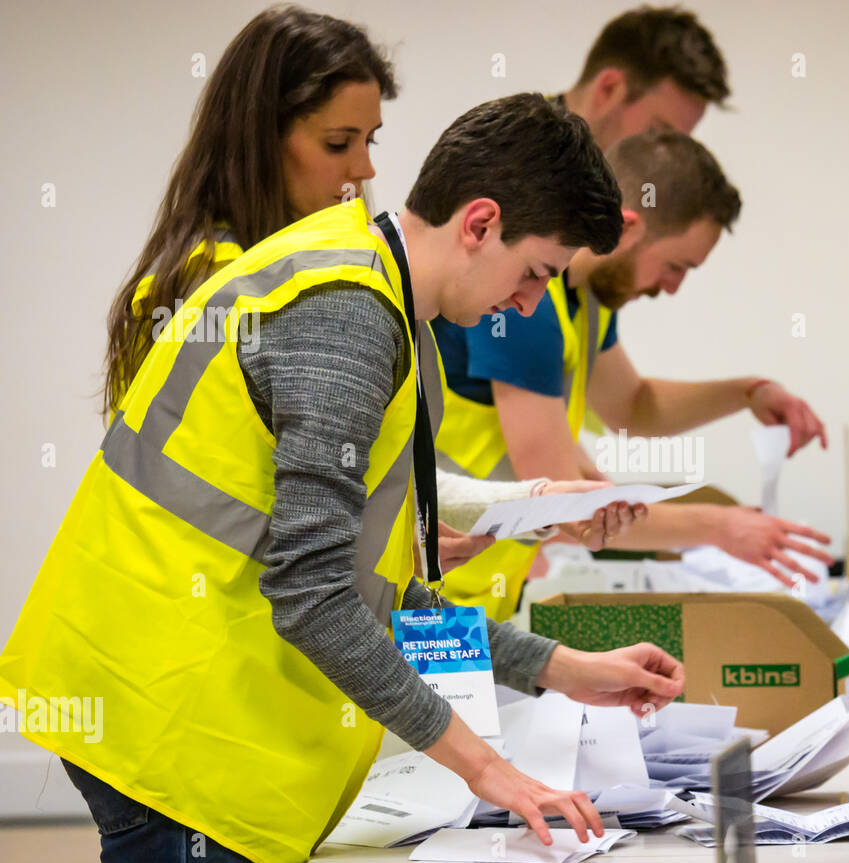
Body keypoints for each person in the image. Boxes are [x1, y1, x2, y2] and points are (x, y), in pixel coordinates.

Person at [0, 91, 686, 863]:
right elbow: (314, 595)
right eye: (535, 271)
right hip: (171, 710)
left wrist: (566, 670)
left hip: (208, 701)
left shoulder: (382, 296)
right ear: (478, 223)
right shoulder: (348, 316)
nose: (532, 303)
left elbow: (376, 586)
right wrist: (486, 767)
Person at [107, 5, 636, 575]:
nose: (365, 170)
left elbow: (358, 479)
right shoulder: (269, 291)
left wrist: (530, 504)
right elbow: (294, 540)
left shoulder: (350, 284)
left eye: (371, 141)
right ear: (259, 142)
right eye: (339, 143)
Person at [432, 127, 831, 619]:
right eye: (676, 265)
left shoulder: (585, 301)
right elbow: (562, 502)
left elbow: (633, 406)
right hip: (433, 597)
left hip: (476, 599)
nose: (674, 286)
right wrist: (721, 527)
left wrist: (747, 393)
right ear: (632, 228)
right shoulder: (524, 308)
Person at [556, 5, 730, 149]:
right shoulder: (530, 163)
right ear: (608, 89)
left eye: (677, 145)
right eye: (655, 133)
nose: (665, 157)